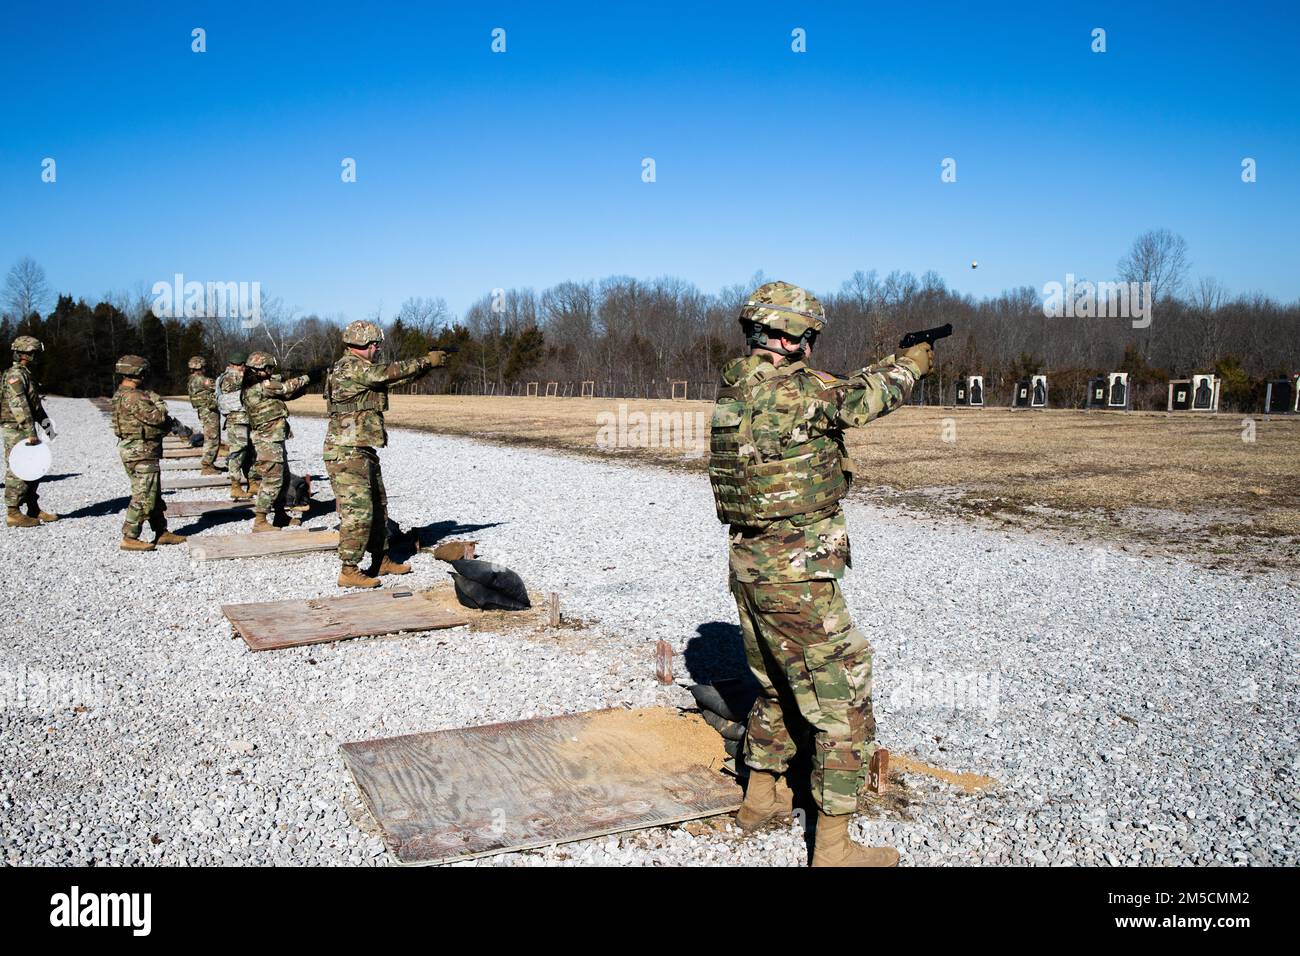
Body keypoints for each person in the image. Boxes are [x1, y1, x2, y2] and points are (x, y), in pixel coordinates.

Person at [708, 281, 932, 867]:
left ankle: (760, 800)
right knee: (843, 694)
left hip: (751, 563)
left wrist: (887, 363)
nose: (810, 345)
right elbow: (861, 399)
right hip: (796, 571)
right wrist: (909, 366)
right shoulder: (798, 392)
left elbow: (835, 392)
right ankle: (832, 849)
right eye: (807, 334)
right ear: (791, 335)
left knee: (779, 683)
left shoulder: (736, 388)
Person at [324, 320, 446, 588]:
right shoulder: (350, 367)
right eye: (375, 344)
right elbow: (387, 372)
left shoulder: (364, 370)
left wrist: (427, 367)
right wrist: (426, 361)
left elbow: (394, 377)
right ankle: (349, 569)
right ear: (362, 344)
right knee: (359, 512)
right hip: (346, 452)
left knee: (378, 509)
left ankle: (381, 559)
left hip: (361, 450)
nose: (378, 348)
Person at [111, 354, 186, 551]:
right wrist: (158, 401)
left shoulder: (122, 393)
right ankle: (130, 536)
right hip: (141, 451)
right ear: (139, 372)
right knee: (144, 495)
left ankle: (161, 531)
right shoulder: (135, 396)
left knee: (153, 493)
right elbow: (158, 418)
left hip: (137, 450)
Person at [241, 352, 312, 532]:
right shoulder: (261, 385)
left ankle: (280, 515)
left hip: (274, 438)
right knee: (272, 480)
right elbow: (286, 387)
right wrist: (307, 377)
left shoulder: (257, 385)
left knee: (284, 477)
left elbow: (286, 395)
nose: (272, 372)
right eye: (270, 368)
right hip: (267, 441)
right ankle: (260, 520)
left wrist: (304, 385)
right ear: (261, 370)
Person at [2, 335, 58, 527]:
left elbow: (34, 405)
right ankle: (13, 512)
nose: (38, 357)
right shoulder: (14, 375)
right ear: (27, 354)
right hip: (15, 428)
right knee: (19, 467)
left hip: (25, 427)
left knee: (34, 468)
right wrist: (29, 432)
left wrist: (46, 426)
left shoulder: (26, 374)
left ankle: (32, 507)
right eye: (35, 353)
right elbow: (19, 405)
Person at [216, 353, 253, 499]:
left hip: (242, 418)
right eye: (242, 365)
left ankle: (252, 482)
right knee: (238, 451)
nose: (243, 368)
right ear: (238, 365)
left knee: (248, 450)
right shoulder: (232, 376)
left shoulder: (225, 376)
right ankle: (235, 485)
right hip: (237, 418)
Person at [185, 355, 222, 474]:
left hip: (203, 411)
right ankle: (207, 465)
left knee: (209, 436)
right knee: (212, 438)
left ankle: (208, 464)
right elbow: (218, 387)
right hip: (209, 411)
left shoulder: (191, 380)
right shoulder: (202, 380)